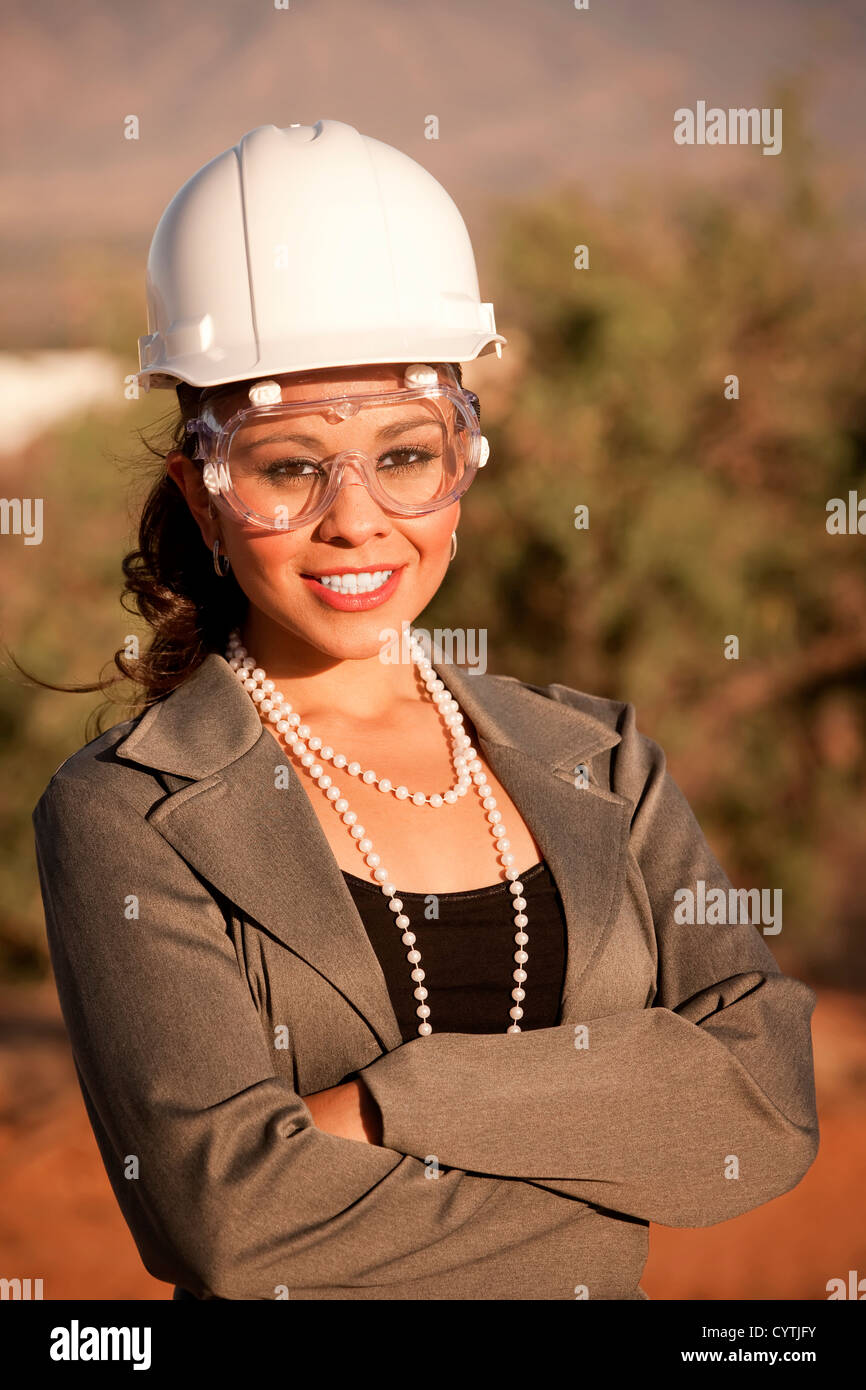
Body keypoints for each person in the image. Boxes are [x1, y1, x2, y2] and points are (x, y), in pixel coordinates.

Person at [30, 120, 819, 1301]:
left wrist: (386, 1103)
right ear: (203, 494)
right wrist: (606, 1190)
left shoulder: (599, 760)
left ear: (464, 462)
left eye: (406, 455)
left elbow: (756, 1111)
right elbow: (230, 1222)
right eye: (286, 464)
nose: (355, 520)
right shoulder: (126, 814)